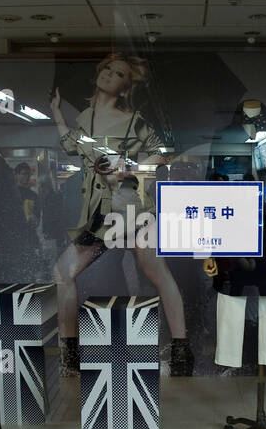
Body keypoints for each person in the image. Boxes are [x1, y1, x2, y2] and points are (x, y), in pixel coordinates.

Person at [49, 52, 192, 376]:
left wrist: (133, 167)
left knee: (154, 273)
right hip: (99, 209)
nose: (110, 75)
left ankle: (181, 351)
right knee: (67, 273)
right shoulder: (85, 116)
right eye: (108, 69)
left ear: (127, 86)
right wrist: (57, 113)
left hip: (127, 206)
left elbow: (163, 152)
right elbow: (73, 145)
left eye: (119, 74)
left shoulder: (132, 120)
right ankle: (71, 355)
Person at [13, 161, 41, 241]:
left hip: (30, 235)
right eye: (24, 173)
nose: (27, 176)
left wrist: (34, 219)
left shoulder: (33, 195)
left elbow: (37, 218)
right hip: (15, 235)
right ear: (16, 175)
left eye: (29, 174)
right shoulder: (11, 193)